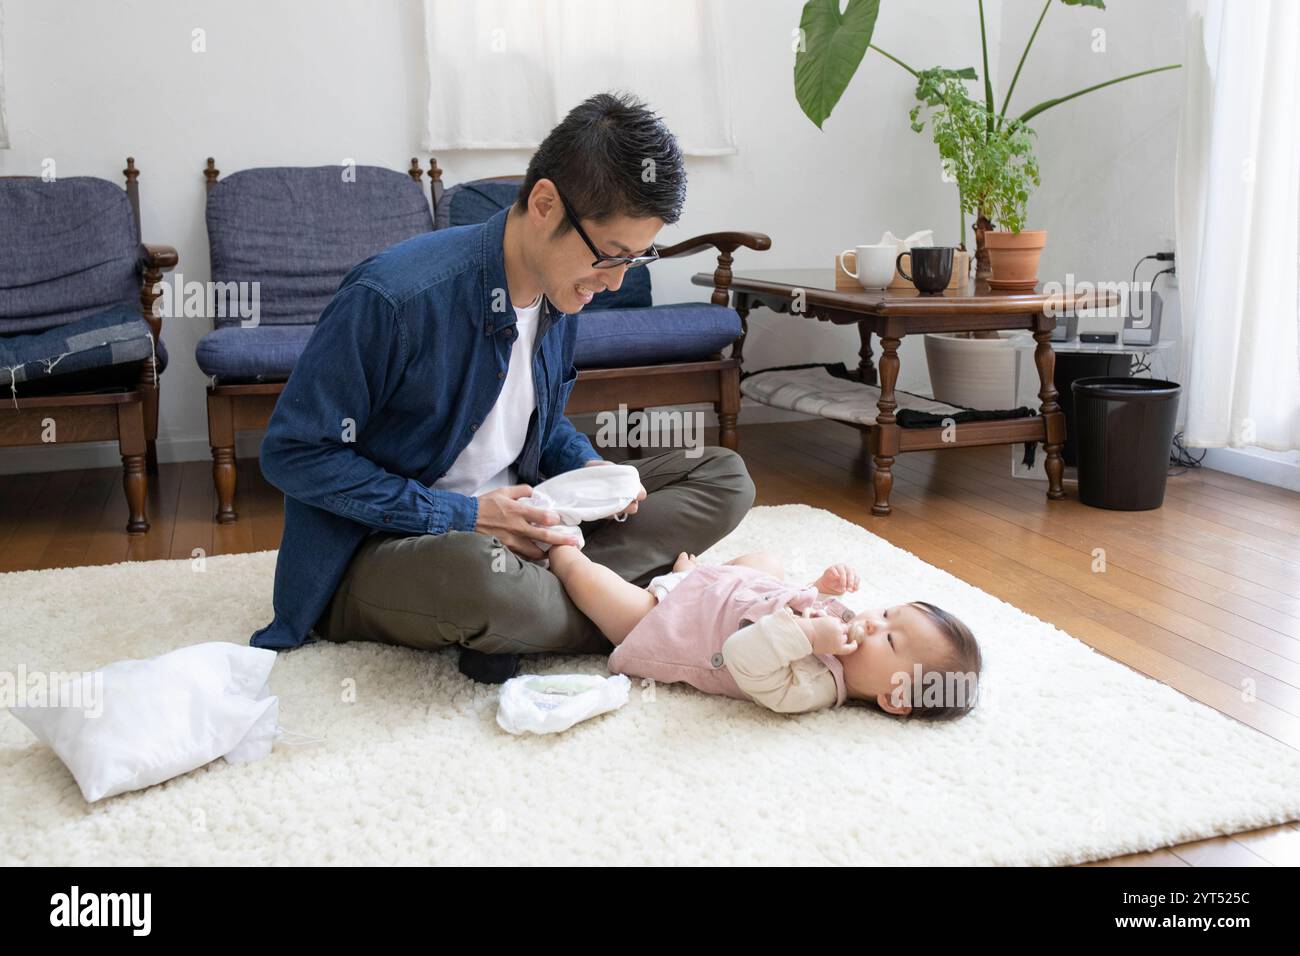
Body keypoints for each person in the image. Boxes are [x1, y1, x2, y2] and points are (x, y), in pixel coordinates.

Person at [249, 91, 755, 684]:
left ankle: (548, 609)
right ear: (545, 204)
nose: (615, 283)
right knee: (481, 578)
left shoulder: (561, 291)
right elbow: (295, 453)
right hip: (397, 546)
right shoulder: (393, 297)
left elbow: (528, 421)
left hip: (530, 526)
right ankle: (615, 606)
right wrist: (462, 516)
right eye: (611, 255)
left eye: (635, 261)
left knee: (723, 475)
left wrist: (590, 470)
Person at [548, 547, 982, 718]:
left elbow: (743, 653)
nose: (874, 622)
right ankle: (694, 573)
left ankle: (555, 548)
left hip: (671, 623)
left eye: (890, 639)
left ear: (894, 697)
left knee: (586, 578)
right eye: (888, 612)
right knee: (768, 563)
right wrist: (818, 588)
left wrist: (810, 638)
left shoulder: (811, 687)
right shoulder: (846, 630)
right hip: (724, 594)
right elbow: (787, 603)